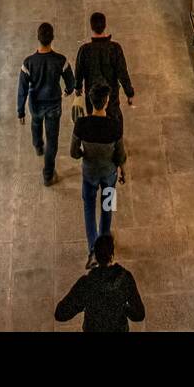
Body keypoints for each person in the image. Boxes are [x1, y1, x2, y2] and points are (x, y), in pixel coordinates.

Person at [70, 83, 126, 267]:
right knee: (107, 207)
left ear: (91, 101)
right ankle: (105, 245)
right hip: (109, 174)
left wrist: (83, 154)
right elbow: (120, 155)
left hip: (89, 173)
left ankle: (93, 249)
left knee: (88, 207)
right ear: (107, 101)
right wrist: (123, 170)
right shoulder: (115, 126)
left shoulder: (81, 124)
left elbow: (73, 152)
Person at [17, 21, 75, 186]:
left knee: (36, 123)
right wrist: (66, 92)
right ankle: (48, 175)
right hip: (53, 105)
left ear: (38, 38)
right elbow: (71, 83)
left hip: (35, 104)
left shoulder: (28, 62)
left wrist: (20, 111)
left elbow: (22, 89)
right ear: (52, 38)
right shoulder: (60, 60)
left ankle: (37, 145)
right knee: (53, 140)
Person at [54, 234, 145, 333]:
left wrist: (81, 305)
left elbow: (60, 314)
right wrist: (123, 308)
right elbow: (139, 314)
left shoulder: (86, 283)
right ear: (112, 256)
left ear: (96, 258)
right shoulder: (125, 279)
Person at [75, 13, 135, 125]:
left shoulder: (84, 50)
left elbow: (78, 74)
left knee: (94, 126)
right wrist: (129, 93)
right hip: (111, 99)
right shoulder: (115, 48)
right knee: (114, 126)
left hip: (92, 100)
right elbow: (122, 73)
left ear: (91, 27)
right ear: (105, 25)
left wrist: (78, 89)